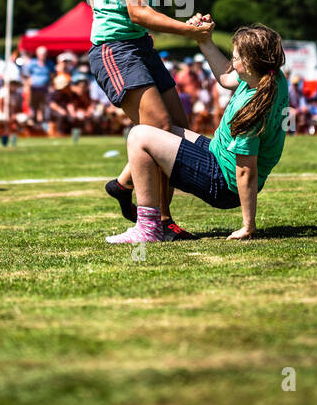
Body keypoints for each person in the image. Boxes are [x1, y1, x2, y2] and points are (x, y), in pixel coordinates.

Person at [69, 0, 214, 240]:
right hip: (116, 49)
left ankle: (124, 186)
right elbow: (136, 11)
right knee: (161, 131)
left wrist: (97, 3)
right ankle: (156, 224)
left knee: (177, 128)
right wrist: (189, 30)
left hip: (136, 45)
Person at [107, 24, 289, 243]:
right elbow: (225, 77)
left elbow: (245, 172)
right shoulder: (269, 77)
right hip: (218, 156)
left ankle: (148, 228)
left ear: (249, 63)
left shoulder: (251, 110)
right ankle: (122, 186)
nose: (231, 63)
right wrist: (204, 40)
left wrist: (248, 226)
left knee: (139, 136)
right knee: (157, 130)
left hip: (222, 184)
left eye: (235, 58)